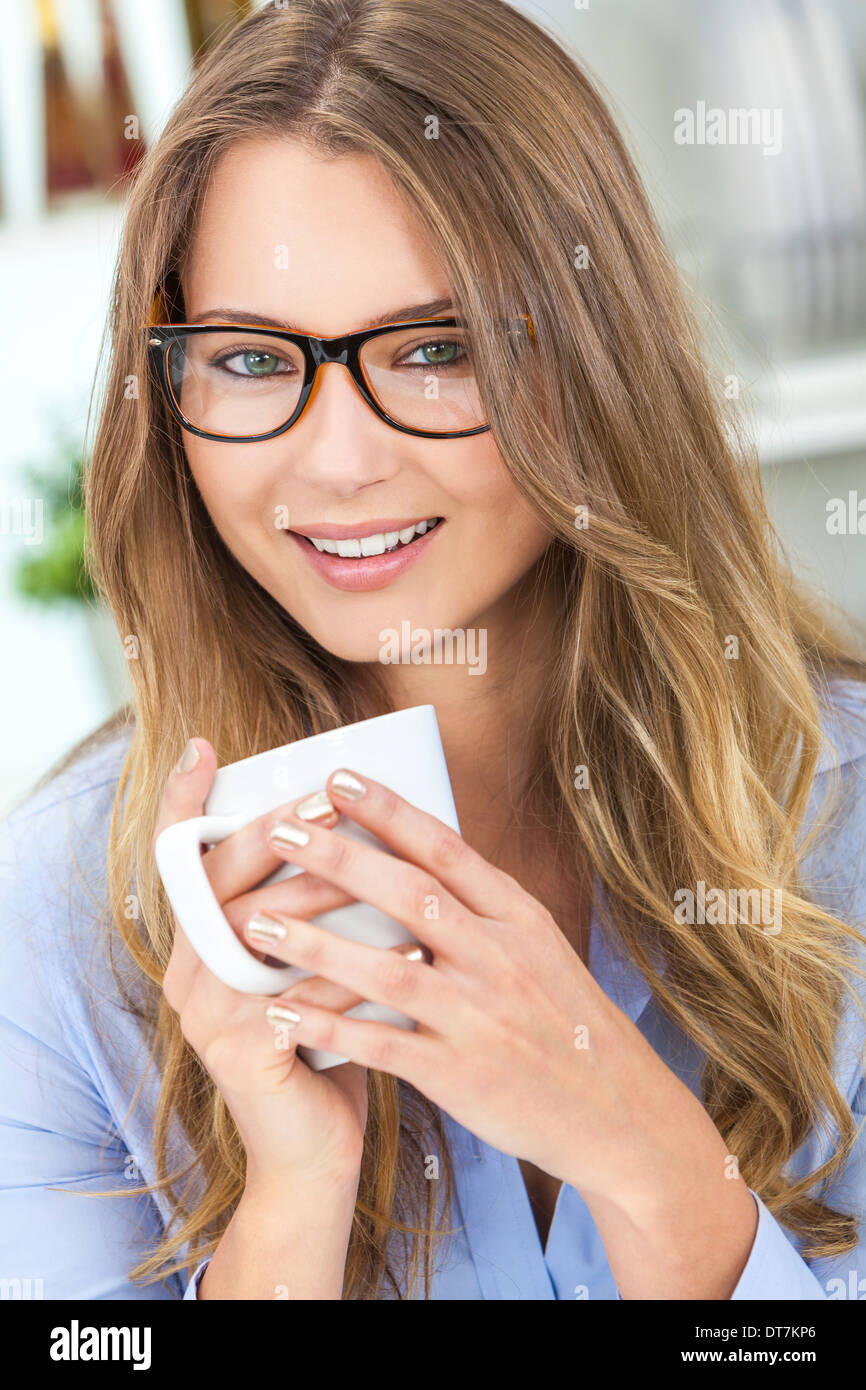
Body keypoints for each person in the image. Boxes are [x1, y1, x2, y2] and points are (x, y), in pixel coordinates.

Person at [1, 0, 865, 1301]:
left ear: (597, 355)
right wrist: (291, 1195)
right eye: (247, 357)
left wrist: (654, 1173)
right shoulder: (55, 916)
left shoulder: (840, 811)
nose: (339, 460)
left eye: (437, 348)